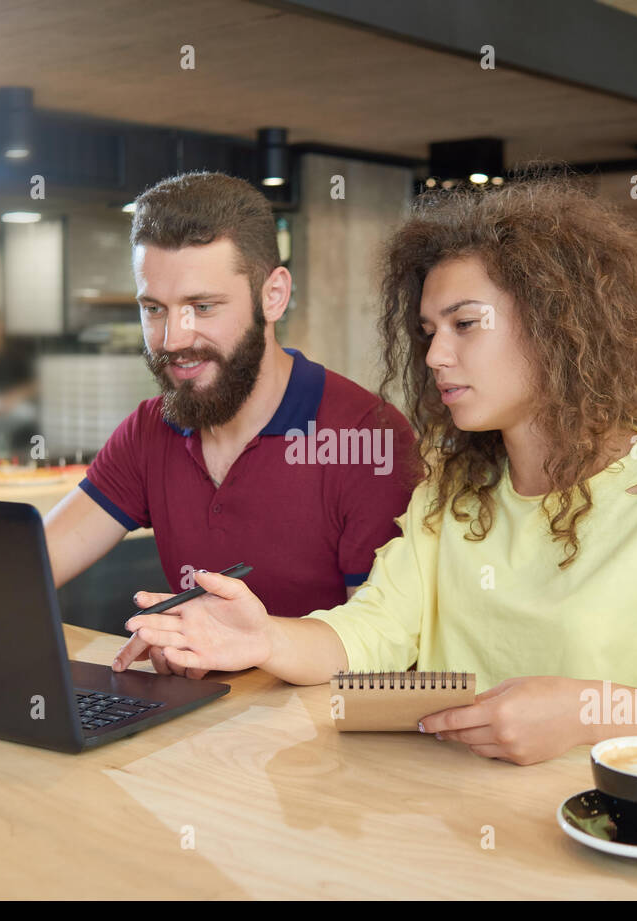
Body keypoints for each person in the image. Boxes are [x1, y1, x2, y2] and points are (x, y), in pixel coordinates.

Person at [114, 173, 637, 780]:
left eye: (465, 324)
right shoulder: (451, 489)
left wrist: (586, 713)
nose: (436, 356)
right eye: (427, 331)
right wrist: (260, 637)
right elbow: (374, 633)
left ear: (556, 326)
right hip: (450, 824)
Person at [44, 172, 417, 676]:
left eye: (202, 306)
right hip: (203, 729)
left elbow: (383, 651)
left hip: (319, 741)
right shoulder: (151, 428)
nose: (174, 338)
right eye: (154, 309)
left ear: (273, 295)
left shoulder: (366, 437)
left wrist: (236, 647)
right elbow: (28, 565)